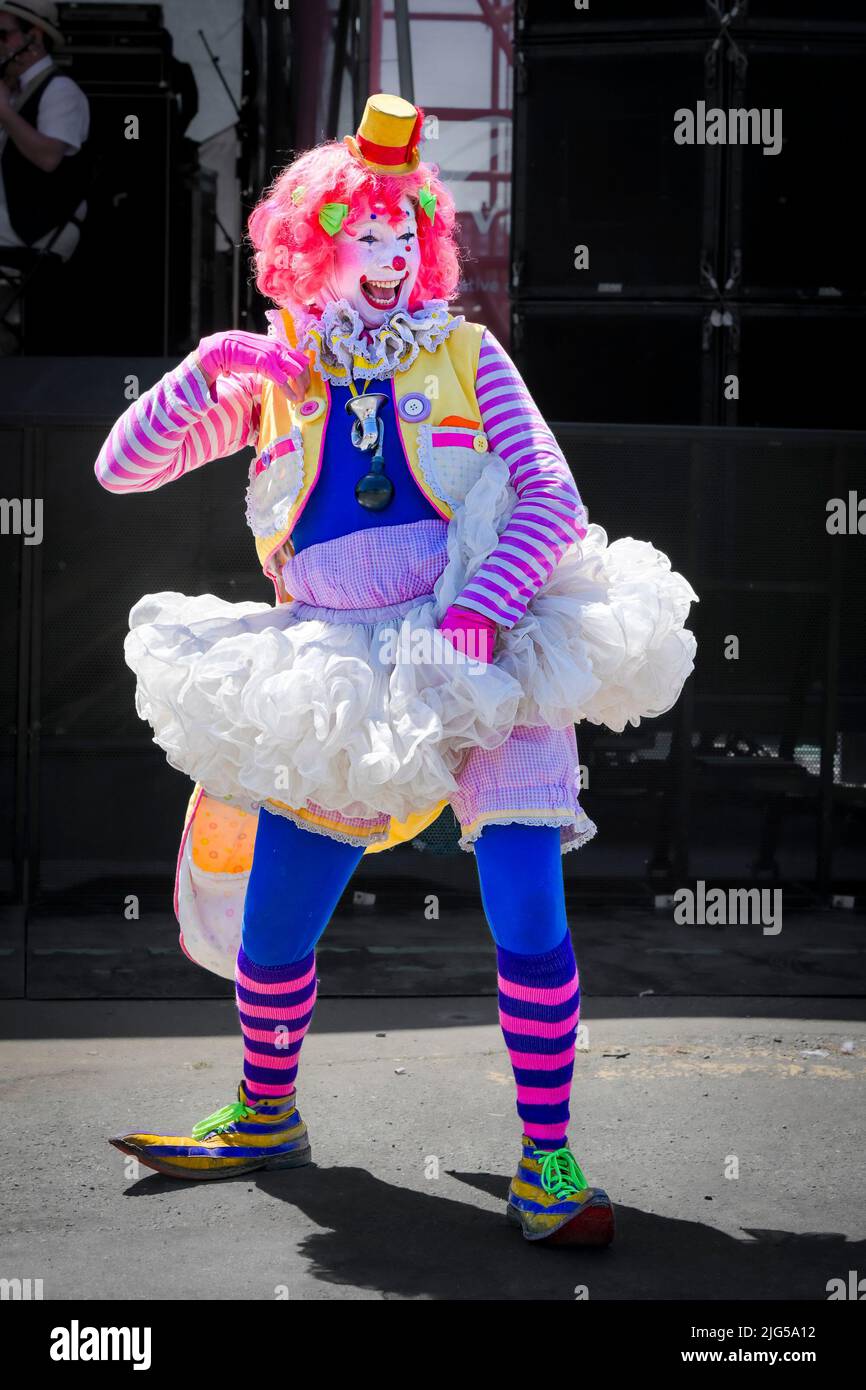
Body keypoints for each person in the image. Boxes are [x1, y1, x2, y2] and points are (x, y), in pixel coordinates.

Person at [94, 93, 698, 1247]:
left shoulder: (467, 353)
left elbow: (550, 500)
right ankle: (265, 1115)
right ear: (313, 253)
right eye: (360, 240)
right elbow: (123, 470)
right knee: (273, 933)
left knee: (524, 901)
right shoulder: (274, 376)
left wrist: (477, 609)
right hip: (340, 673)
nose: (384, 262)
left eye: (401, 239)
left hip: (487, 642)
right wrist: (210, 360)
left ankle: (546, 1164)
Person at [0, 0, 89, 262]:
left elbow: (49, 158)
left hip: (38, 226)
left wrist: (5, 113)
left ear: (34, 38)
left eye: (2, 34)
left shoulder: (60, 90)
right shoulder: (15, 91)